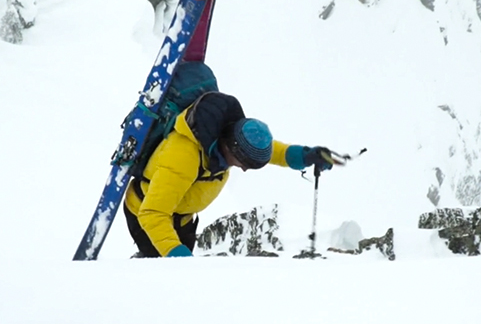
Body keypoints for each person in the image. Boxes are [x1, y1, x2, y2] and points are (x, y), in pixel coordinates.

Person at [124, 91, 335, 258]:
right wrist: (178, 259)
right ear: (232, 149)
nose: (243, 169)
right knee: (161, 274)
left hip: (181, 217)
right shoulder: (183, 156)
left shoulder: (228, 138)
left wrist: (304, 157)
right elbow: (152, 213)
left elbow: (271, 151)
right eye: (245, 164)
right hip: (146, 214)